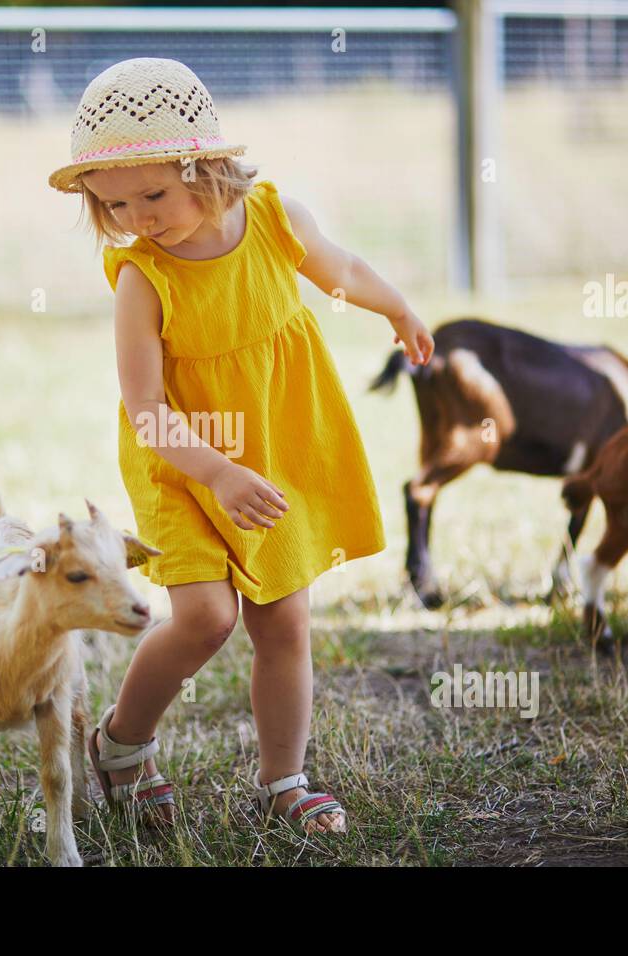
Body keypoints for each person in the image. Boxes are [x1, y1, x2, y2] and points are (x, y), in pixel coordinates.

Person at [48, 57, 434, 835]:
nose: (140, 216)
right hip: (182, 464)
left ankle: (285, 779)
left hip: (271, 448)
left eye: (154, 194)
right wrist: (216, 473)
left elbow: (343, 270)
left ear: (208, 165)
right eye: (115, 203)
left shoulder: (276, 217)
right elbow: (146, 409)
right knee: (206, 619)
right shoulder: (141, 277)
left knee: (283, 622)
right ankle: (122, 743)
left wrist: (396, 308)